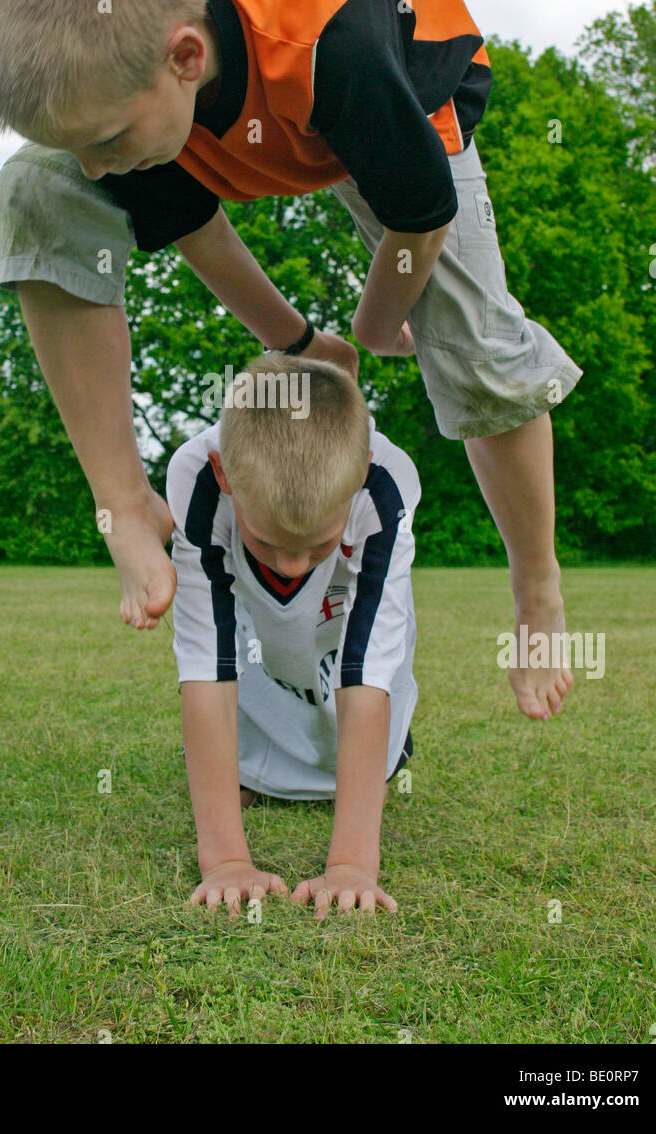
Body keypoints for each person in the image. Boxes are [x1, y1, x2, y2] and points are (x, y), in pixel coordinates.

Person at [0, 0, 581, 721]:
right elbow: (197, 228)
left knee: (476, 344)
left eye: (106, 140)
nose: (94, 168)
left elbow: (419, 219)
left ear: (184, 56)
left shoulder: (339, 47)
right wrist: (303, 344)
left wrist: (372, 336)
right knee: (34, 191)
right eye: (76, 143)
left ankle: (538, 590)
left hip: (402, 77)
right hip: (236, 113)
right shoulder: (126, 86)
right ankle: (124, 502)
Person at [167, 353, 418, 917]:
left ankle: (378, 757)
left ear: (356, 482)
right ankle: (259, 765)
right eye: (268, 540)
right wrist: (226, 862)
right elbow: (207, 659)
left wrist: (351, 867)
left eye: (319, 544)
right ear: (227, 478)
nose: (294, 563)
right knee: (240, 723)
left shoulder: (385, 484)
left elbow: (367, 670)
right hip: (259, 641)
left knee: (354, 740)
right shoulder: (196, 477)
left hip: (336, 641)